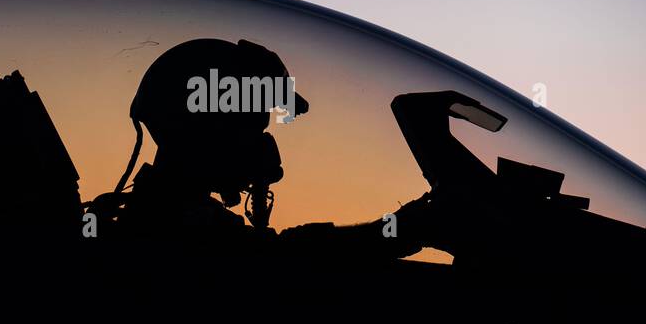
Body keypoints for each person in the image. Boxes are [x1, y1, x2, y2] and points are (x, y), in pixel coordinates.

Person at [86, 38, 433, 259]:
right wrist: (401, 230)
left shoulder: (168, 214)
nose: (261, 140)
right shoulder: (170, 230)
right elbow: (284, 261)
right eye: (251, 125)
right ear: (205, 125)